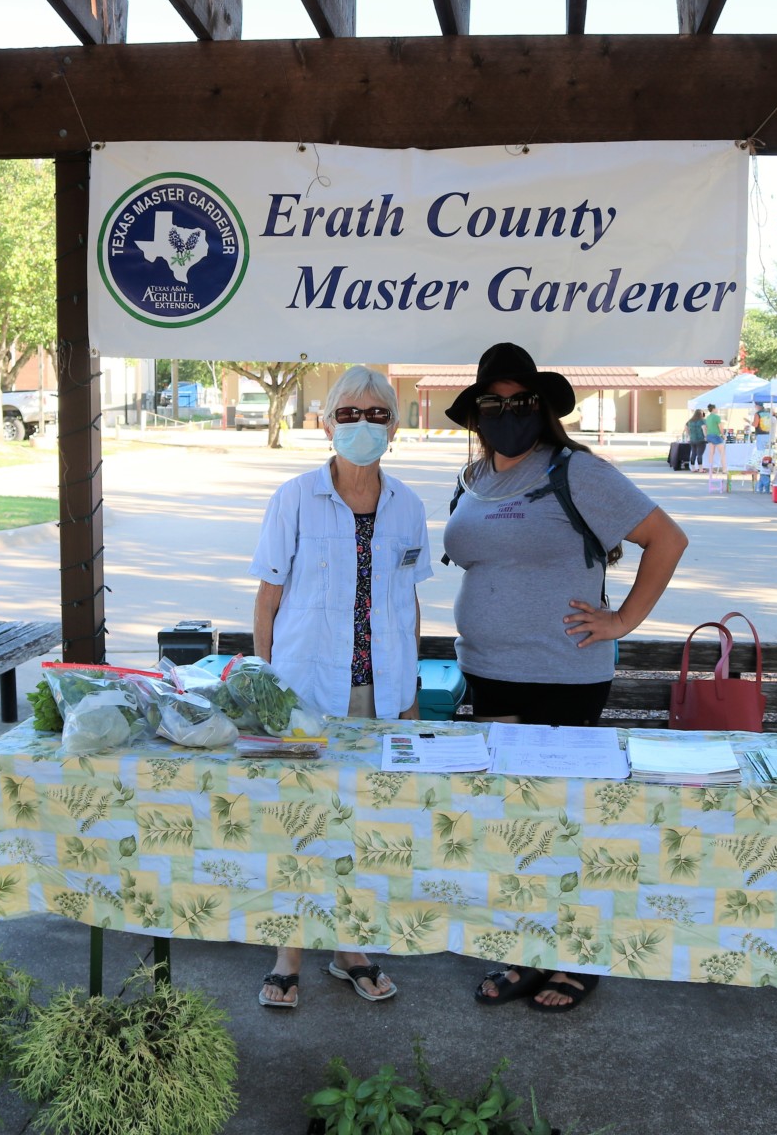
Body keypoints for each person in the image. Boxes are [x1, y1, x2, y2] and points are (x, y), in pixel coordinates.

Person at [444, 343, 689, 1014]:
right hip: (488, 674)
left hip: (561, 676)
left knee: (561, 818)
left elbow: (667, 539)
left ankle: (575, 955)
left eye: (518, 401)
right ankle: (524, 948)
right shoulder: (473, 477)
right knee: (514, 820)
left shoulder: (577, 472)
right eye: (491, 402)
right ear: (476, 413)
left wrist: (624, 620)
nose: (505, 413)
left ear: (542, 408)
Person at [249, 365, 430, 1009]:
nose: (361, 425)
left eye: (375, 414)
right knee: (301, 821)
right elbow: (267, 602)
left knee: (364, 823)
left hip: (374, 695)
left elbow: (407, 607)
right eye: (348, 414)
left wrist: (407, 695)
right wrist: (265, 690)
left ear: (395, 427)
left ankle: (349, 947)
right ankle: (288, 952)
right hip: (303, 691)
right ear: (326, 423)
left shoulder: (408, 506)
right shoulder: (294, 498)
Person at [703, 403, 725, 472]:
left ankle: (711, 469)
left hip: (709, 436)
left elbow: (706, 428)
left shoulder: (708, 418)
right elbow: (720, 427)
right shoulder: (717, 417)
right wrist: (723, 435)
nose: (717, 409)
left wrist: (706, 435)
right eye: (716, 408)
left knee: (711, 453)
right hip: (715, 435)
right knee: (722, 452)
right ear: (713, 409)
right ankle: (724, 469)